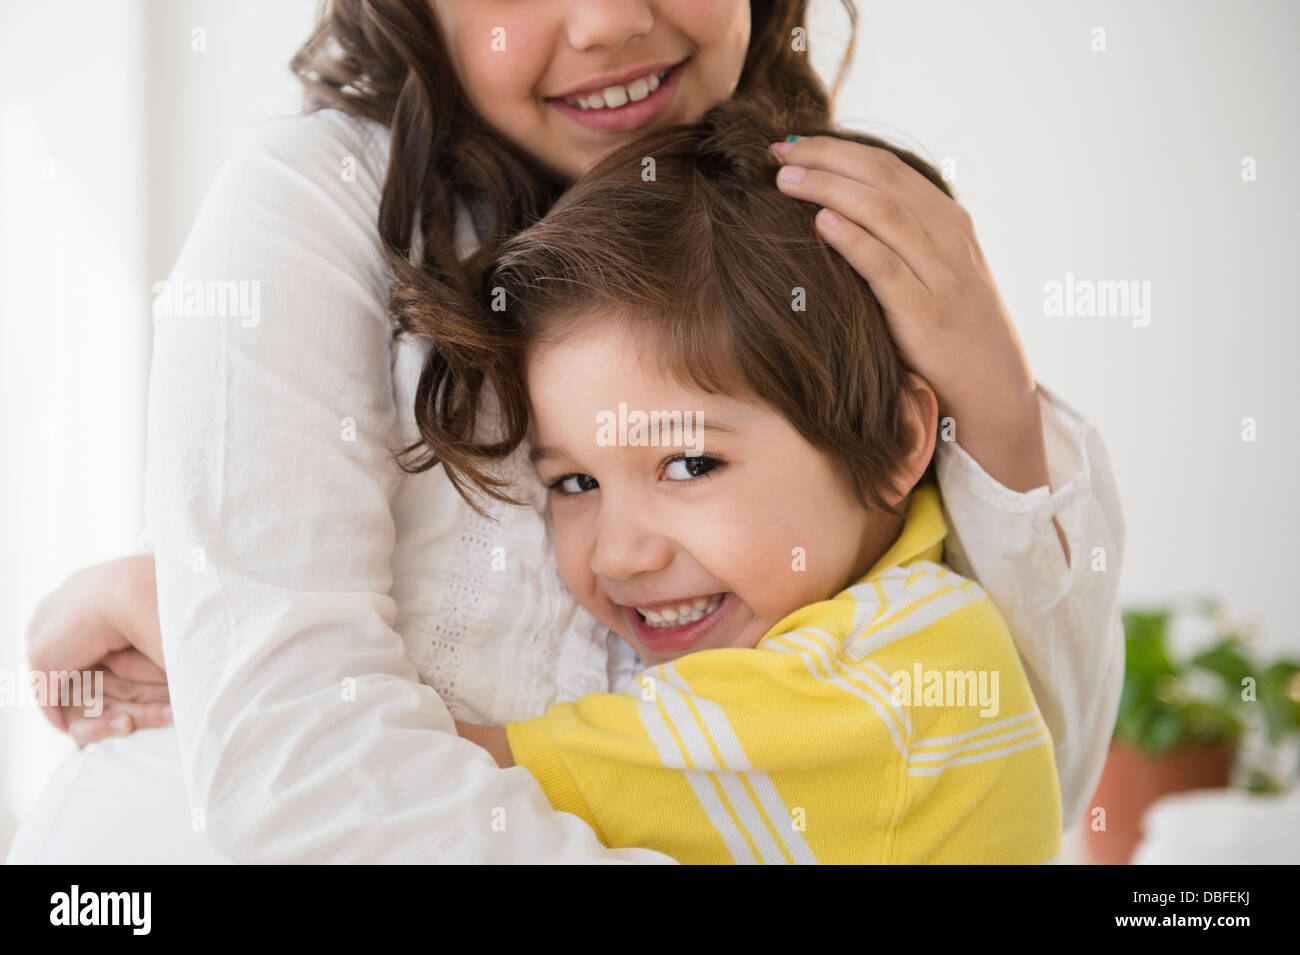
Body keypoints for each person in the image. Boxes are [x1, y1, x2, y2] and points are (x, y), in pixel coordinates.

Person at [13, 0, 1123, 864]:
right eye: (573, 482)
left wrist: (999, 404)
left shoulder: (816, 227)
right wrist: (212, 625)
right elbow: (302, 777)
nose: (604, 24)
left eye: (688, 462)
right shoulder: (313, 208)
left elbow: (1021, 775)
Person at [449, 97, 1062, 863]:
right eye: (575, 483)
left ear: (900, 438)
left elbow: (436, 774)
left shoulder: (874, 687)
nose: (619, 555)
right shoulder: (927, 616)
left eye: (691, 464)